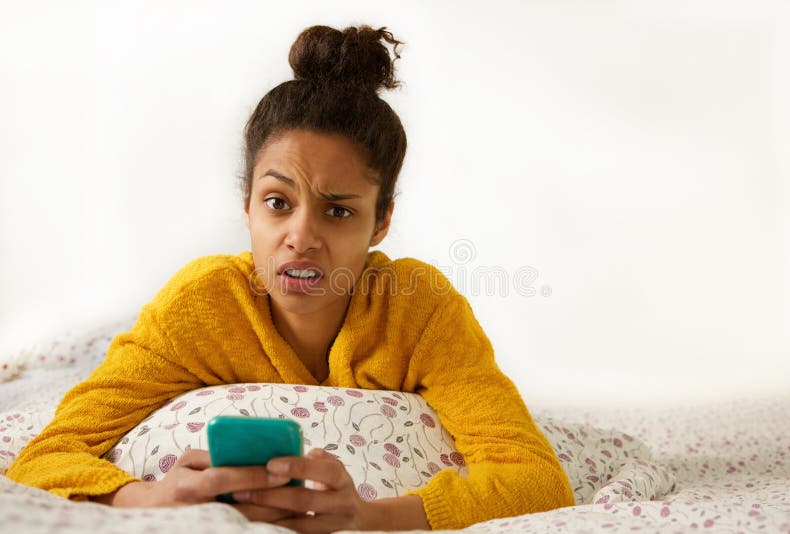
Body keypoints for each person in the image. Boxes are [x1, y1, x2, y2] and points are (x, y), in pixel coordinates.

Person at [6, 24, 574, 531]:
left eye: (339, 210)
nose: (301, 236)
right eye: (278, 202)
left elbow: (536, 478)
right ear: (247, 206)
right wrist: (145, 499)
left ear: (381, 222)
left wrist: (370, 517)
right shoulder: (199, 308)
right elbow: (46, 458)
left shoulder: (420, 312)